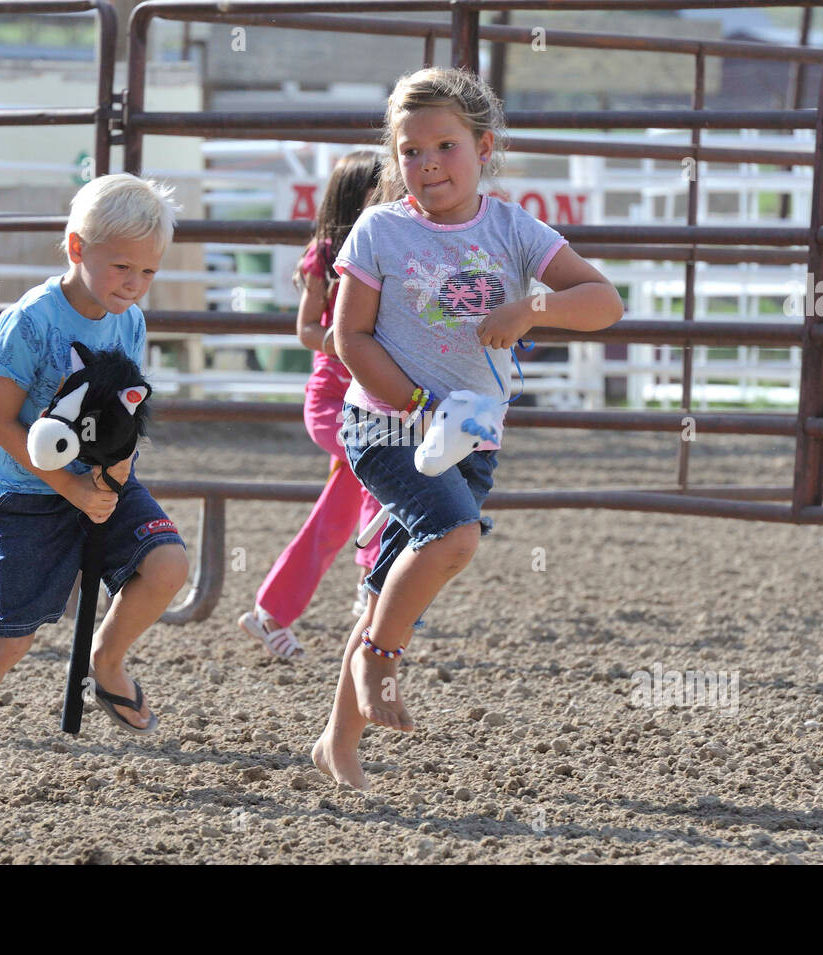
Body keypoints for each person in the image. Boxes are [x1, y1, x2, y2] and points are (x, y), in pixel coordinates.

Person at [311, 67, 624, 788]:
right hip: (388, 426)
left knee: (393, 584)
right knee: (452, 539)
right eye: (410, 152)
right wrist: (420, 403)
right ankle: (380, 661)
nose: (426, 166)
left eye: (444, 147)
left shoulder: (515, 230)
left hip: (472, 437)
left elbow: (603, 300)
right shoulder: (380, 230)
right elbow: (348, 338)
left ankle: (337, 742)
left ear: (484, 147)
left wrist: (535, 310)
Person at [0, 173, 189, 795]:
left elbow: (123, 412)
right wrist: (74, 490)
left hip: (104, 480)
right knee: (11, 638)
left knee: (167, 566)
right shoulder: (32, 320)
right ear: (77, 248)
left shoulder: (129, 320)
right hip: (31, 495)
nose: (134, 285)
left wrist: (113, 475)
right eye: (121, 267)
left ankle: (105, 661)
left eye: (147, 274)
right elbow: (2, 422)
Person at [238, 151, 385, 659]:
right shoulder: (325, 254)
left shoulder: (392, 245)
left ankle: (271, 612)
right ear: (356, 195)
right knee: (379, 473)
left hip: (374, 402)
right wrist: (351, 342)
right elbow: (305, 331)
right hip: (333, 401)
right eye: (381, 188)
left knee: (337, 517)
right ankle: (370, 578)